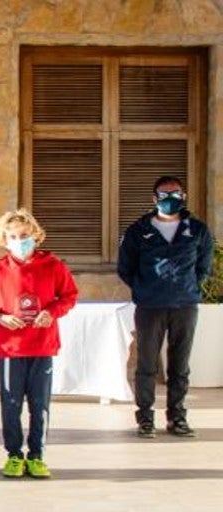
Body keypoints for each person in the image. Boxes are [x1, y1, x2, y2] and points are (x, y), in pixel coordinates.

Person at [0, 209, 78, 478]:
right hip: (10, 349)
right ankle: (14, 455)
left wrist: (51, 312)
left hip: (42, 346)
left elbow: (69, 296)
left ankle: (37, 455)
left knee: (39, 404)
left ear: (36, 237)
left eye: (25, 236)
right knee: (11, 402)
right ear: (4, 240)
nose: (20, 241)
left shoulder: (54, 267)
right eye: (14, 236)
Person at [118, 175, 214, 439]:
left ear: (183, 197)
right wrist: (144, 289)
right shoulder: (138, 231)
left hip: (185, 305)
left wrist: (189, 287)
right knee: (147, 364)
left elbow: (204, 267)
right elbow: (126, 268)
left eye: (175, 194)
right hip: (150, 306)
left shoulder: (197, 230)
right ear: (154, 199)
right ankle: (145, 418)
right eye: (164, 195)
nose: (170, 199)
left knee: (180, 365)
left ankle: (177, 417)